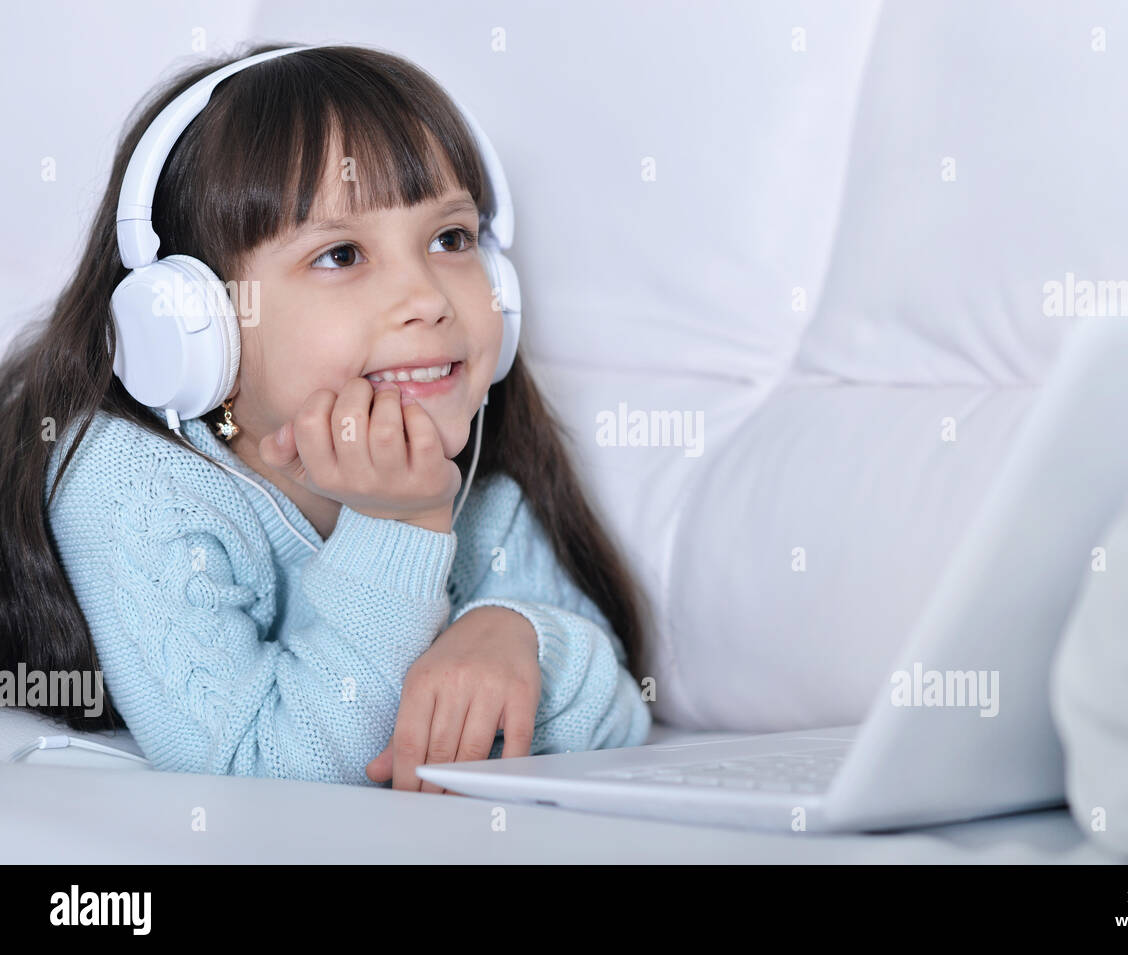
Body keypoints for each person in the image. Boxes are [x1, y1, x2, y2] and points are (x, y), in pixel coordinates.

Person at [0, 43, 651, 790]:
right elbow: (255, 768)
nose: (429, 300)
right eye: (341, 254)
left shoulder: (485, 502)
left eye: (451, 239)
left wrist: (520, 643)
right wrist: (399, 528)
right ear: (190, 325)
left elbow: (622, 720)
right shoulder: (130, 485)